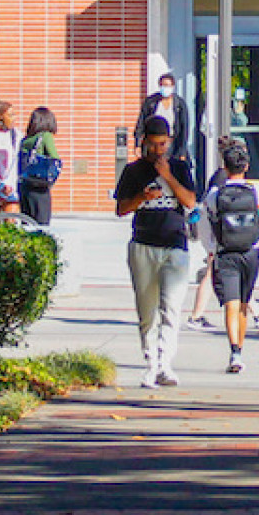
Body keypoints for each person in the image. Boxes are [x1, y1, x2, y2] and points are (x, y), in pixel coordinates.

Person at [113, 115, 198, 388]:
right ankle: (150, 364)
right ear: (144, 143)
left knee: (171, 308)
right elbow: (121, 209)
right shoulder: (133, 171)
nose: (158, 150)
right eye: (152, 145)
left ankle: (165, 365)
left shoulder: (180, 168)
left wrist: (168, 177)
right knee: (147, 311)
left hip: (175, 244)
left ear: (169, 142)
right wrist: (142, 198)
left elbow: (190, 202)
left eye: (162, 144)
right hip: (143, 244)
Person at [200, 138, 259, 374]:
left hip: (226, 254)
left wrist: (211, 250)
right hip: (251, 253)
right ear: (246, 167)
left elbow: (205, 229)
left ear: (224, 167)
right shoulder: (257, 192)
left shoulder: (214, 195)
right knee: (244, 304)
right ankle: (239, 349)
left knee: (231, 305)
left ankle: (234, 350)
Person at [137, 72, 196, 178]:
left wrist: (182, 151)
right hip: (153, 142)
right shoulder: (151, 102)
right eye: (163, 85)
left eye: (168, 85)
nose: (165, 88)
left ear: (173, 87)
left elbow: (184, 128)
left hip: (171, 144)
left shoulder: (179, 104)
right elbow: (141, 122)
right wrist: (137, 144)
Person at [17, 106, 61, 226]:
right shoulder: (45, 136)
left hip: (24, 184)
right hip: (39, 185)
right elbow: (54, 157)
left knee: (26, 222)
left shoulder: (25, 140)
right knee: (41, 223)